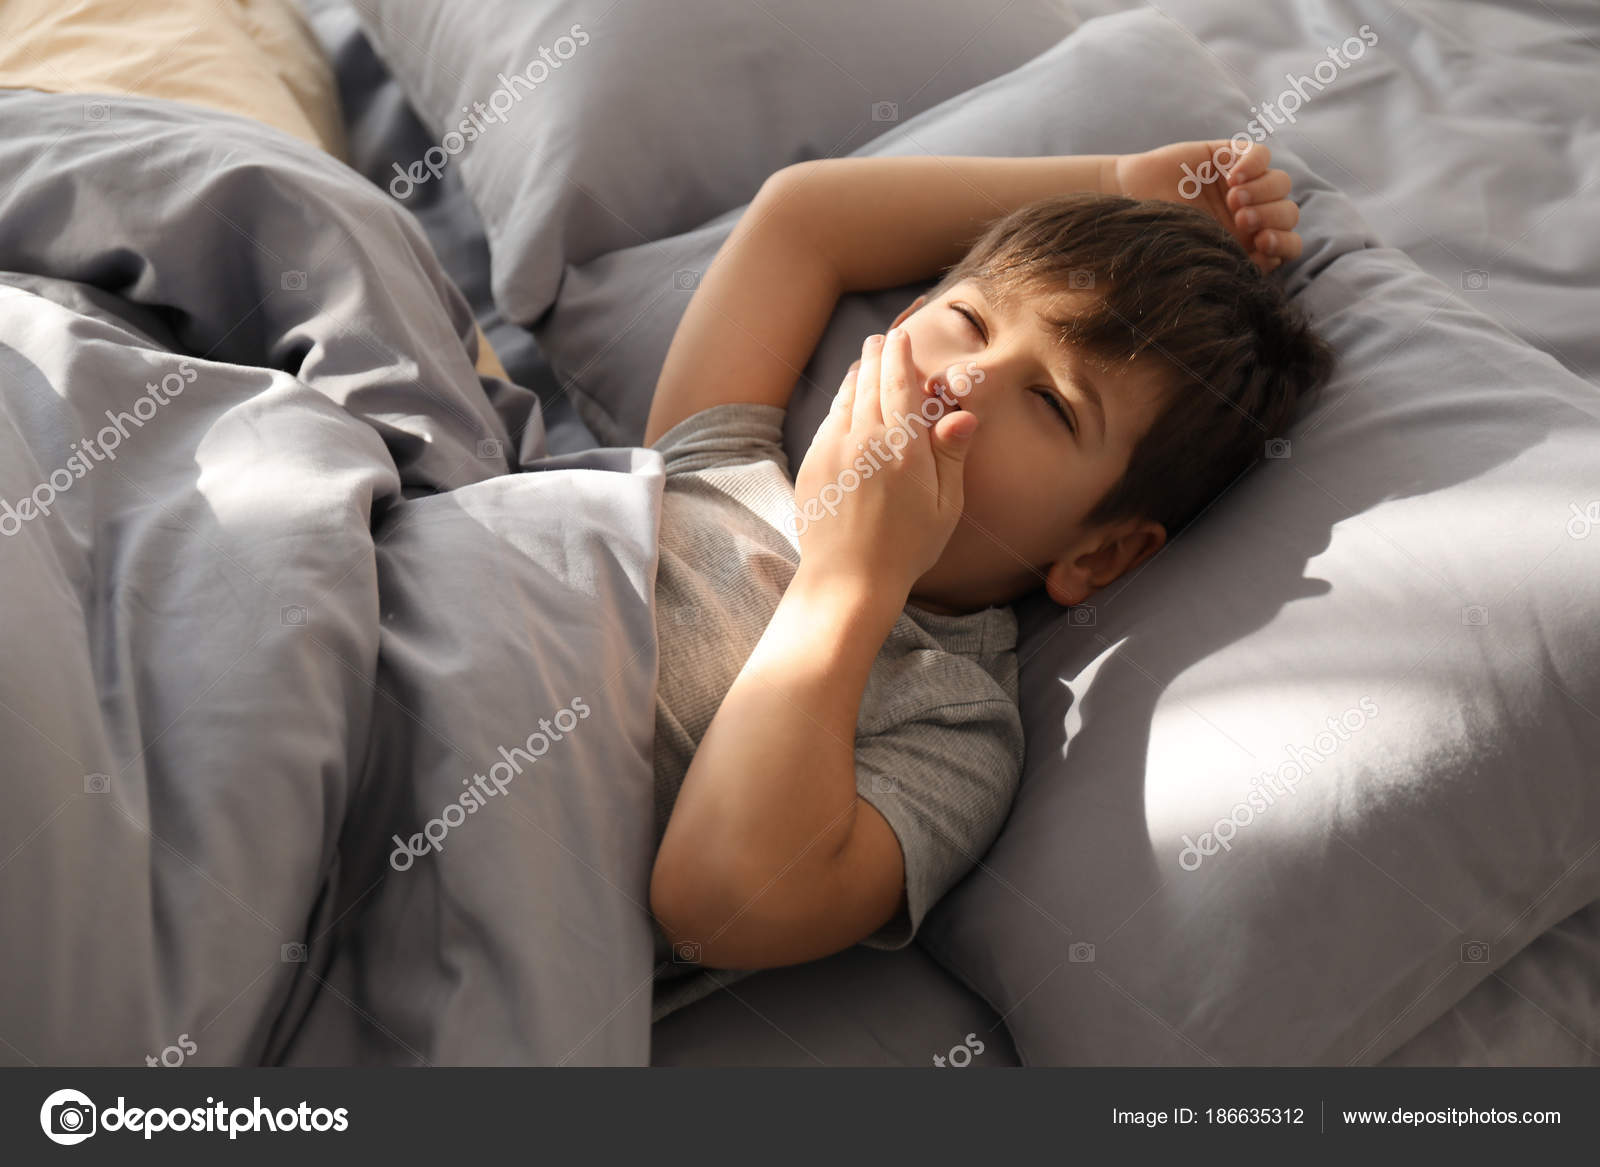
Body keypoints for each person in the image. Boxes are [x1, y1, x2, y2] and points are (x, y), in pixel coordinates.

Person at [646, 143, 1334, 1019]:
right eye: (968, 321)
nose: (960, 377)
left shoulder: (953, 730)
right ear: (908, 317)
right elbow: (802, 218)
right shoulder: (715, 460)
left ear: (1100, 556)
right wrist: (1119, 186)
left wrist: (851, 578)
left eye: (1051, 403)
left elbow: (718, 900)